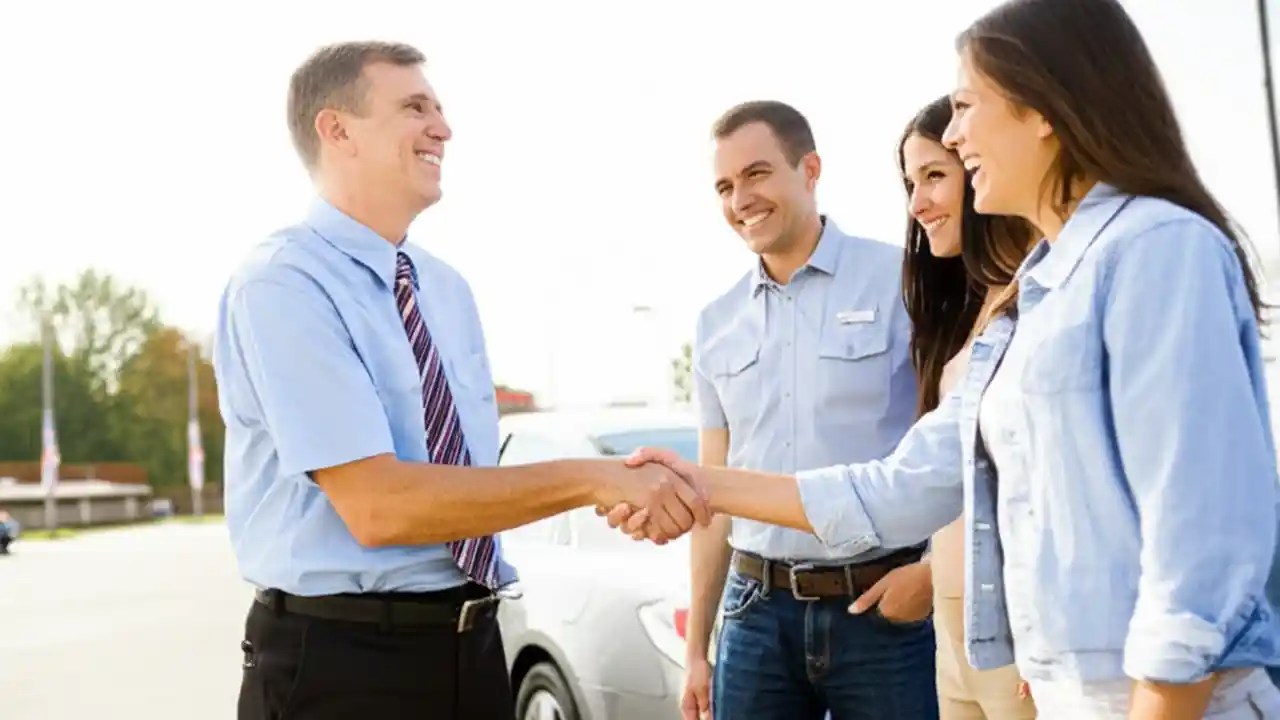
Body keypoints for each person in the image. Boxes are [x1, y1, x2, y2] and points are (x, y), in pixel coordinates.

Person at [613, 0, 1280, 717]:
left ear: (1043, 108)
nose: (956, 136)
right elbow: (894, 488)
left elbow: (1197, 565)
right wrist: (697, 482)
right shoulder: (1041, 294)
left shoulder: (1156, 250)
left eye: (965, 106)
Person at [212, 41, 708, 720]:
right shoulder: (284, 285)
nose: (442, 128)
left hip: (473, 651)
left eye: (439, 109)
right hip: (340, 666)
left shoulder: (445, 290)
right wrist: (595, 479)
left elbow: (468, 487)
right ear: (338, 130)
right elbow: (380, 506)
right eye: (414, 107)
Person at [678, 100, 936, 720]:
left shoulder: (905, 281)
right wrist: (697, 650)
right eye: (724, 186)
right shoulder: (715, 325)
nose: (740, 199)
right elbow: (713, 501)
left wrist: (929, 575)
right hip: (755, 617)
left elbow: (956, 445)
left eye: (757, 173)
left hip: (880, 609)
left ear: (810, 168)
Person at [897, 95, 1035, 719]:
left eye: (934, 176)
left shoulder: (1037, 297)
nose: (917, 203)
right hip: (952, 639)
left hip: (1016, 643)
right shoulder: (963, 312)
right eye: (909, 183)